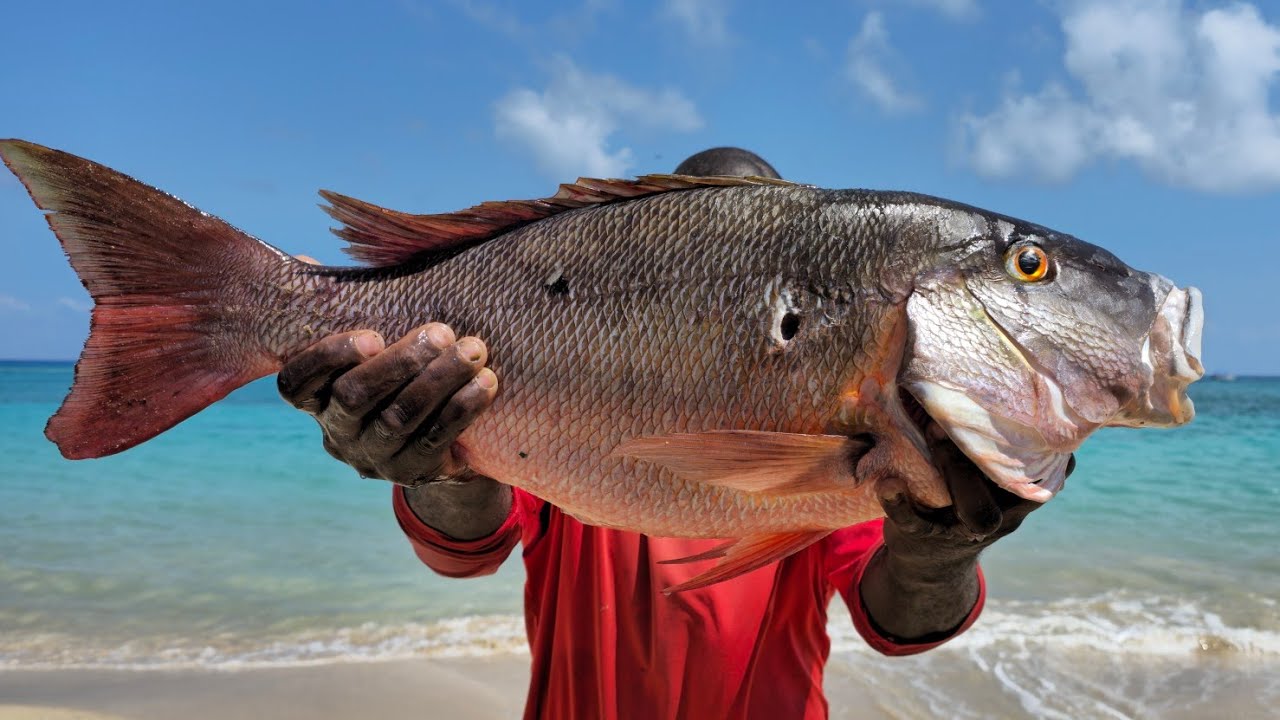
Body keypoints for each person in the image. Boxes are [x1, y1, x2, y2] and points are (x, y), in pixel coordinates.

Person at [277, 148, 1064, 719]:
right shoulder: (575, 388)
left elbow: (897, 619)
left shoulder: (845, 433)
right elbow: (467, 544)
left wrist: (941, 548)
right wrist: (433, 463)